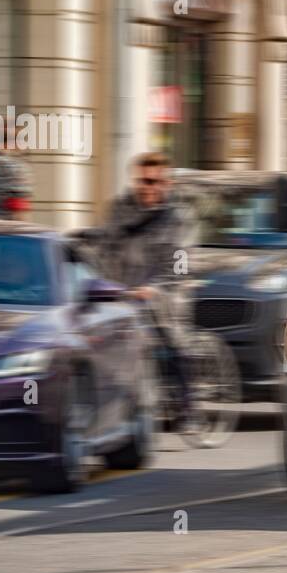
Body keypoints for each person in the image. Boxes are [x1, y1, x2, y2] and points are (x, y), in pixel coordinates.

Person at [101, 151, 196, 419]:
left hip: (166, 289)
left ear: (166, 184)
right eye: (142, 181)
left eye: (154, 182)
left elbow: (180, 262)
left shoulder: (178, 218)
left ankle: (187, 403)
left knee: (172, 337)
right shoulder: (120, 209)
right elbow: (105, 246)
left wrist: (156, 288)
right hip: (126, 288)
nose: (147, 188)